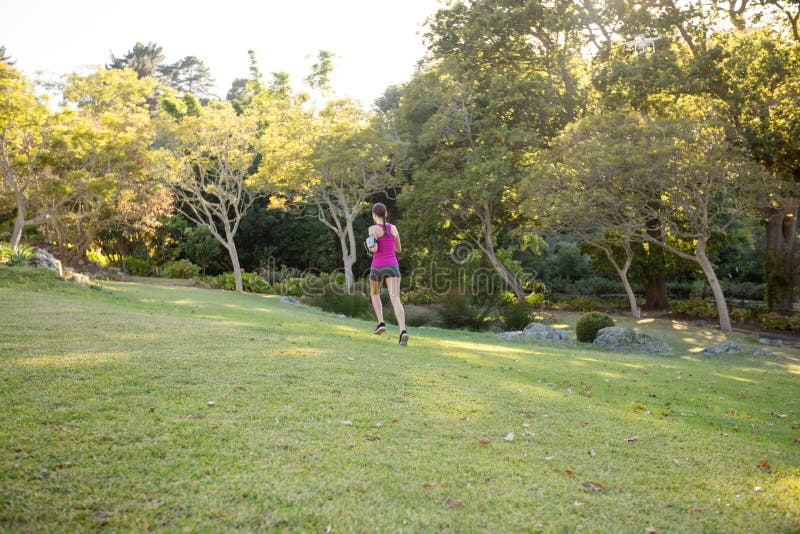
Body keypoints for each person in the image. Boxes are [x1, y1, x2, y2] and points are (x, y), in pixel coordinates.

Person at [366, 203, 408, 346]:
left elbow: (374, 248)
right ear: (386, 214)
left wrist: (368, 243)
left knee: (374, 293)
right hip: (392, 266)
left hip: (377, 266)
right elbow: (398, 249)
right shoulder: (394, 228)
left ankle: (381, 322)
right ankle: (403, 331)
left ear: (374, 215)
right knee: (395, 298)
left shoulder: (372, 229)